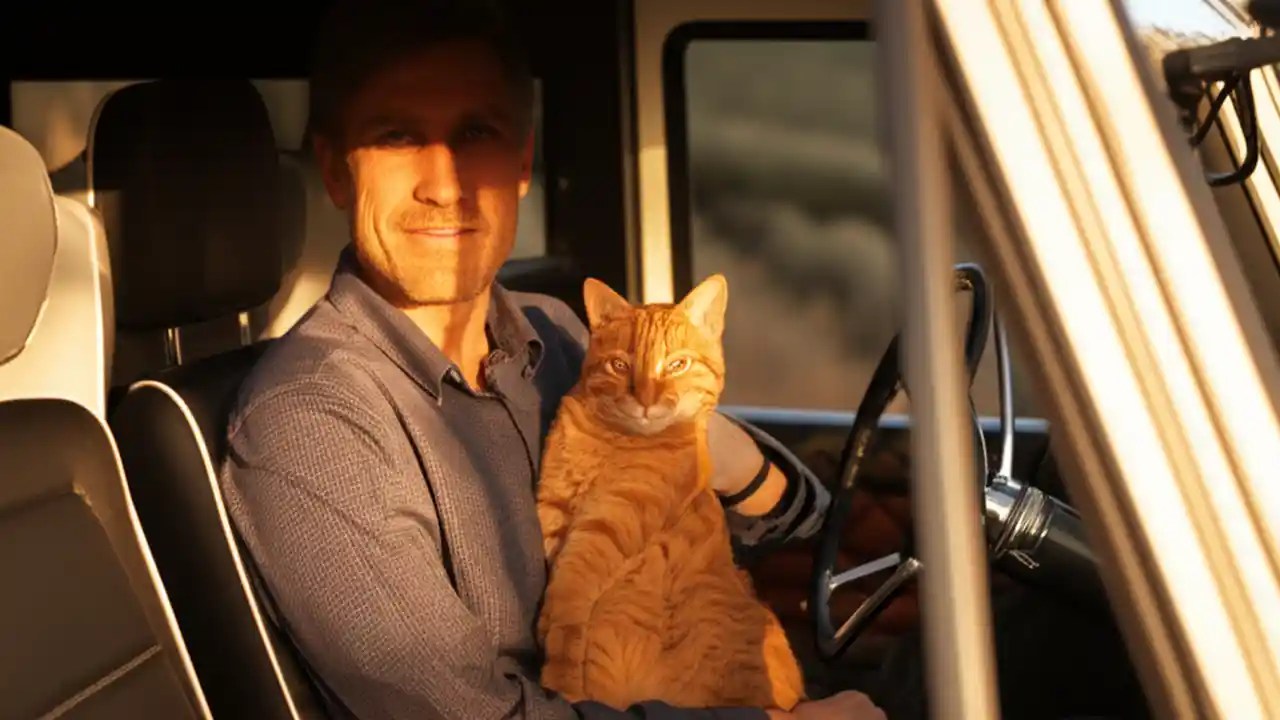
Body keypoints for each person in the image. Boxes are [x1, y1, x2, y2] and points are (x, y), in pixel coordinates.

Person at [218, 1, 886, 718]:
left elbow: (798, 520)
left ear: (522, 166)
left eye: (476, 134)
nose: (443, 185)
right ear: (337, 171)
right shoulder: (312, 421)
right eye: (397, 136)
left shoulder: (560, 333)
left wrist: (721, 459)